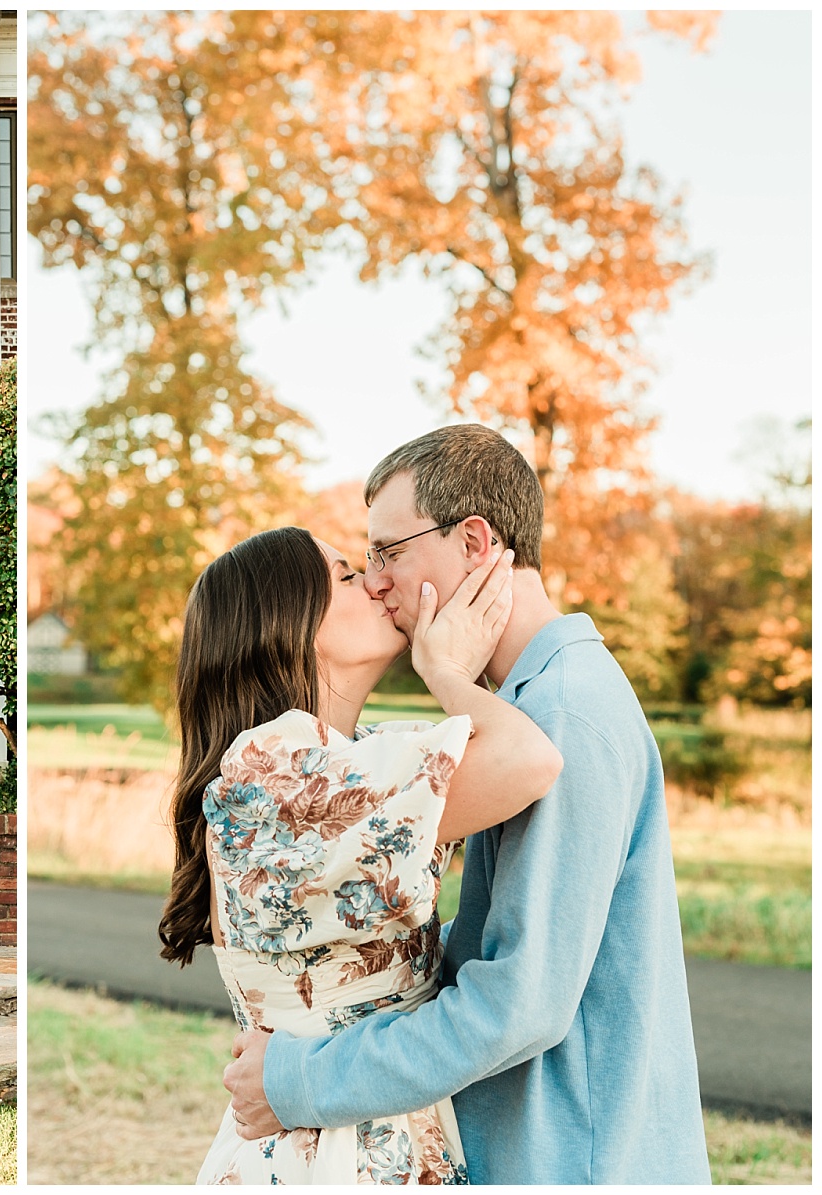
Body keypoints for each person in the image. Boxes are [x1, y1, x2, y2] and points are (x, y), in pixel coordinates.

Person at [224, 424, 710, 1184]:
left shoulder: (562, 715)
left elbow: (518, 1004)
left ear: (475, 540)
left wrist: (299, 1079)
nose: (377, 581)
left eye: (389, 552)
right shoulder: (525, 706)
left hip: (566, 1160)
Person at [160, 524, 561, 1183]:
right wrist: (448, 671)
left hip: (381, 1129)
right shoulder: (273, 775)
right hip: (329, 1154)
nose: (377, 582)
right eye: (346, 576)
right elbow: (530, 758)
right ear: (287, 624)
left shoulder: (356, 757)